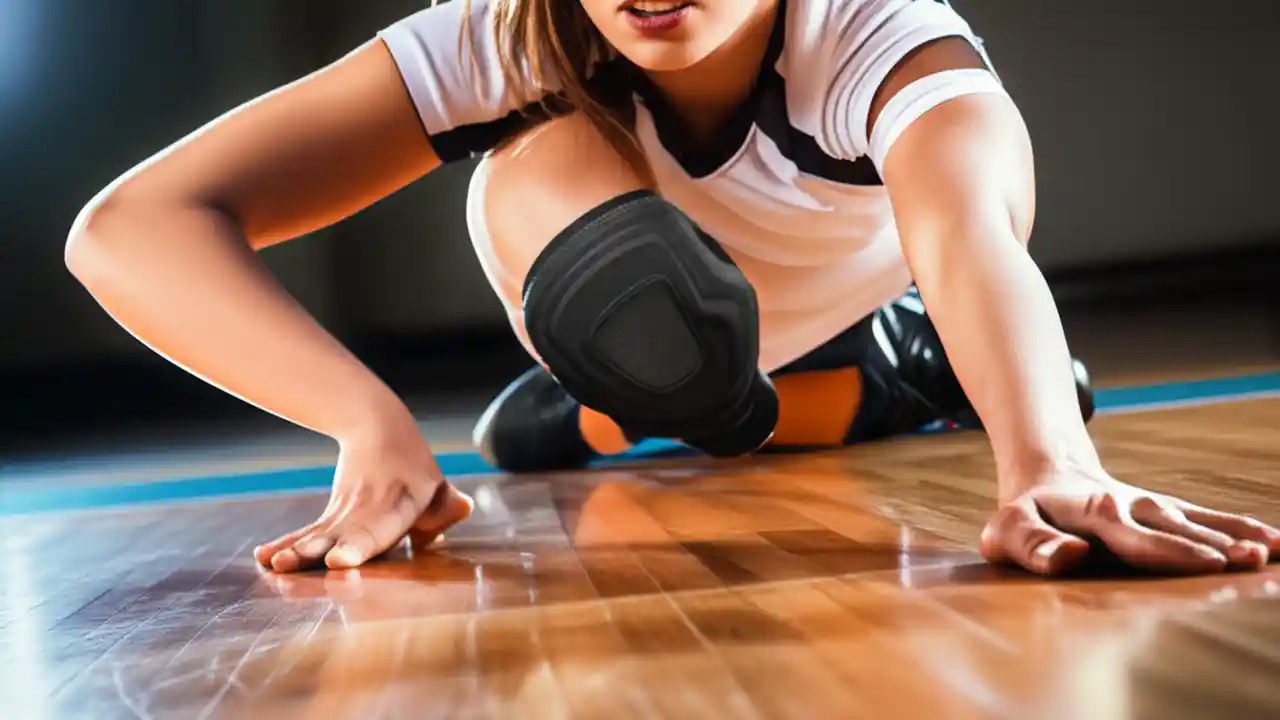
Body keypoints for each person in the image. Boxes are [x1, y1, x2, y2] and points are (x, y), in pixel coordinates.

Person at [66, 0, 1280, 576]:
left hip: (845, 300)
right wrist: (365, 421)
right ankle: (631, 397)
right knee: (565, 199)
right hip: (631, 316)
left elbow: (971, 237)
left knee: (642, 390)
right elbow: (130, 229)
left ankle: (897, 367)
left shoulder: (884, 38)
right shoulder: (503, 32)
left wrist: (1047, 463)